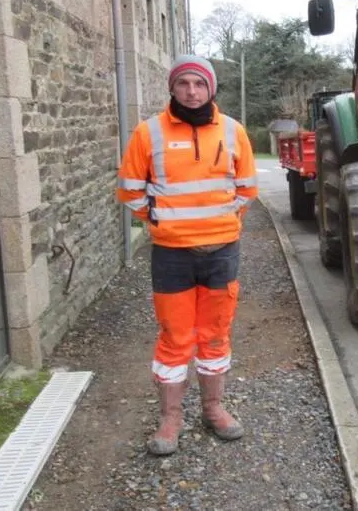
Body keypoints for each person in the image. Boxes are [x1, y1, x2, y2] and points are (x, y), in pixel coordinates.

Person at [116, 54, 258, 456]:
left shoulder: (233, 131)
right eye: (184, 84)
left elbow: (246, 190)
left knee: (215, 334)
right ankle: (171, 418)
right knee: (175, 337)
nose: (192, 92)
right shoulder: (149, 133)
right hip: (171, 255)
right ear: (172, 88)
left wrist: (221, 224)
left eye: (199, 84)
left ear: (211, 88)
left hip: (221, 251)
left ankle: (213, 408)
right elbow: (129, 190)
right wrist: (163, 222)